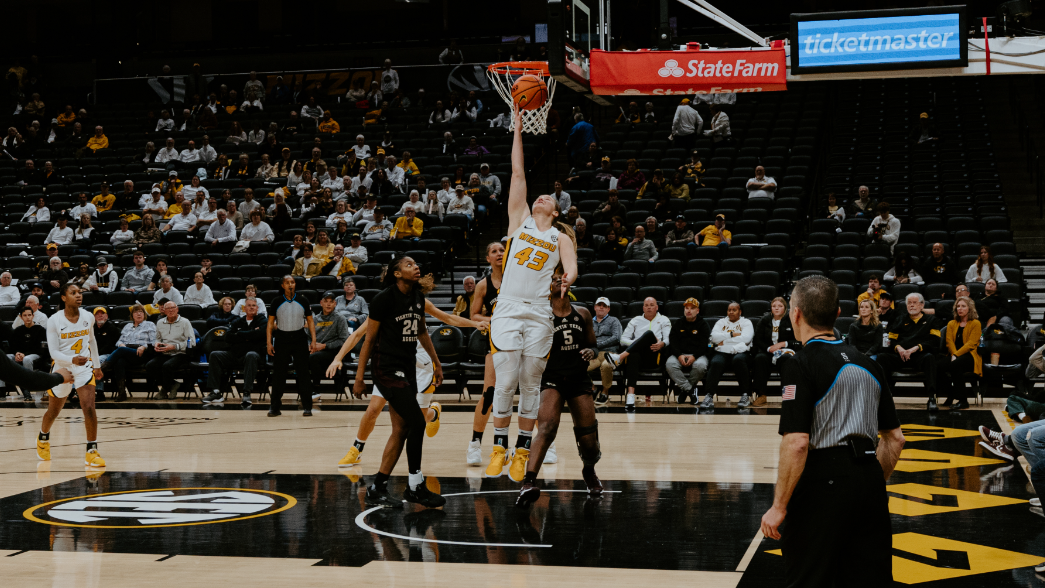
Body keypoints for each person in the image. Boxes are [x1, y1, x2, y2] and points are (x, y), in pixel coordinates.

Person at [760, 275, 904, 588]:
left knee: (811, 579)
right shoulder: (869, 364)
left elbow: (797, 443)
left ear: (795, 314)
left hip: (821, 484)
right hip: (870, 480)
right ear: (838, 314)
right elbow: (895, 440)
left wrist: (779, 505)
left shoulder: (798, 364)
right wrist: (866, 481)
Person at [486, 109, 578, 482]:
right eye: (538, 196)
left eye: (546, 198)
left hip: (540, 310)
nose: (539, 196)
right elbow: (519, 173)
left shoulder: (559, 237)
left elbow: (572, 266)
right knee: (505, 380)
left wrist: (567, 278)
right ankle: (497, 447)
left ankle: (522, 451)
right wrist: (518, 130)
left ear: (555, 211)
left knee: (530, 383)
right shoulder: (518, 220)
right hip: (508, 307)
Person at [329, 271, 484, 468]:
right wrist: (338, 358)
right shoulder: (384, 303)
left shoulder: (419, 300)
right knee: (373, 409)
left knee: (415, 418)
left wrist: (474, 323)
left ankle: (432, 414)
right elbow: (358, 334)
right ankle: (356, 449)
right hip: (392, 362)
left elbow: (448, 318)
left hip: (419, 361)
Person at [347, 257, 446, 508]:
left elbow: (421, 331)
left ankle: (377, 488)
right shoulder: (384, 299)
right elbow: (368, 340)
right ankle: (415, 486)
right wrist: (359, 378)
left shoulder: (417, 297)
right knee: (416, 422)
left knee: (401, 430)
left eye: (417, 263)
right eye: (410, 264)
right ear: (397, 273)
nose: (416, 267)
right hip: (387, 368)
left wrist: (436, 363)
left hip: (407, 368)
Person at [516, 269, 603, 506]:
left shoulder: (583, 313)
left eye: (561, 278)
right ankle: (529, 481)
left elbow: (593, 346)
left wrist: (590, 352)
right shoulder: (540, 315)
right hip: (551, 378)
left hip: (578, 379)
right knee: (547, 427)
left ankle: (588, 470)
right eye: (553, 279)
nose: (558, 280)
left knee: (588, 440)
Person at [37, 284, 106, 467]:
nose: (78, 296)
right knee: (53, 411)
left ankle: (92, 450)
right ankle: (43, 437)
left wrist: (97, 365)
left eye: (80, 293)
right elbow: (53, 353)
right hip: (62, 367)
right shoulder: (54, 320)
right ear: (63, 297)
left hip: (83, 366)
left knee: (89, 407)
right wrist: (71, 360)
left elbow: (92, 340)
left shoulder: (88, 316)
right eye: (73, 293)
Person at [463, 243, 506, 463]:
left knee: (530, 392)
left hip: (522, 340)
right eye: (495, 251)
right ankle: (475, 444)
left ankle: (545, 445)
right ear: (488, 258)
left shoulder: (517, 280)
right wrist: (495, 320)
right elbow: (474, 316)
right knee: (489, 393)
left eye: (502, 250)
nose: (499, 253)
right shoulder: (483, 285)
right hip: (497, 342)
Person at [875, 293, 942, 412]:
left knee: (930, 358)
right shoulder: (900, 319)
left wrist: (915, 348)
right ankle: (884, 397)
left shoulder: (932, 320)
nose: (911, 306)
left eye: (914, 303)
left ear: (922, 305)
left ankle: (931, 398)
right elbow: (891, 339)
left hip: (919, 355)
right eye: (909, 303)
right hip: (901, 355)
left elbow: (934, 341)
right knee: (882, 357)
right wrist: (899, 348)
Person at [266, 275, 318, 417]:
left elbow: (311, 321)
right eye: (287, 282)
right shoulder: (276, 301)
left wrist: (313, 340)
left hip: (299, 338)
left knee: (303, 374)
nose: (290, 284)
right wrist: (269, 343)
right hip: (282, 338)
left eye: (292, 282)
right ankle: (275, 407)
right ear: (282, 285)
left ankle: (307, 406)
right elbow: (270, 324)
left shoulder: (303, 300)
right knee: (278, 374)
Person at [202, 298, 267, 406]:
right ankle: (216, 391)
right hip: (235, 354)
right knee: (215, 355)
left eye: (253, 306)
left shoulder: (262, 320)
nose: (251, 307)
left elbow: (260, 335)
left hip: (254, 355)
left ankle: (246, 392)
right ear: (244, 308)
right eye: (249, 305)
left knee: (251, 355)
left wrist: (239, 333)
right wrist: (249, 334)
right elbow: (228, 337)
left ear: (257, 308)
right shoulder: (238, 321)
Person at [613, 297, 672, 411]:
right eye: (646, 305)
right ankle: (630, 396)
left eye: (651, 305)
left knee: (649, 334)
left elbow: (668, 339)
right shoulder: (635, 320)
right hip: (637, 355)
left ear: (656, 307)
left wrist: (662, 344)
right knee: (633, 355)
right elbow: (623, 340)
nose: (649, 307)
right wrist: (639, 343)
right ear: (643, 308)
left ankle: (620, 357)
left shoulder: (664, 320)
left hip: (654, 355)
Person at [699, 302, 754, 409]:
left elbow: (746, 339)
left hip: (740, 352)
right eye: (729, 310)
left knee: (739, 360)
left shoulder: (746, 322)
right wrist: (731, 334)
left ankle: (745, 395)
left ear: (740, 312)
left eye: (734, 310)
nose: (731, 312)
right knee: (715, 362)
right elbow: (713, 338)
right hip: (722, 352)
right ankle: (709, 396)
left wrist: (724, 341)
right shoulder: (721, 322)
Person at [750, 297, 799, 407]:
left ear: (785, 308)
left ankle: (788, 397)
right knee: (759, 359)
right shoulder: (764, 320)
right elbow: (757, 339)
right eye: (774, 306)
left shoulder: (791, 320)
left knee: (787, 360)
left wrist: (783, 344)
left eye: (780, 306)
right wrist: (769, 348)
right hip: (768, 350)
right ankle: (761, 395)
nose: (776, 308)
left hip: (785, 350)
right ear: (771, 308)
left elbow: (798, 339)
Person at [664, 298, 711, 405]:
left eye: (692, 308)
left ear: (697, 311)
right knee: (670, 364)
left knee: (700, 366)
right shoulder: (678, 323)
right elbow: (673, 341)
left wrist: (694, 356)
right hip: (679, 354)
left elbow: (705, 344)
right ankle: (690, 390)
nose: (688, 310)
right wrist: (679, 355)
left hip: (698, 355)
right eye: (686, 308)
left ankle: (684, 391)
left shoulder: (703, 324)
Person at [144, 301, 194, 399]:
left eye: (173, 308)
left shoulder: (185, 322)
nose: (171, 310)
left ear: (177, 309)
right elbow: (157, 338)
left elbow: (191, 342)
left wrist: (174, 346)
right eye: (168, 308)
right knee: (150, 366)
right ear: (164, 311)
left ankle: (164, 390)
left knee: (167, 366)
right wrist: (157, 344)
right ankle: (173, 384)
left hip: (181, 353)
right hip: (165, 353)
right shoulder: (160, 322)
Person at [941, 296, 982, 411]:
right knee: (937, 365)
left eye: (963, 306)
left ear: (970, 308)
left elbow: (971, 344)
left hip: (970, 356)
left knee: (955, 365)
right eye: (958, 306)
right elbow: (949, 342)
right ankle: (950, 393)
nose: (960, 309)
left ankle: (963, 401)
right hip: (954, 355)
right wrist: (954, 354)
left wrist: (956, 355)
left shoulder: (976, 323)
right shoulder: (951, 323)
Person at [5, 307, 48, 401]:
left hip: (35, 355)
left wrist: (24, 354)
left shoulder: (40, 330)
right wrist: (17, 353)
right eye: (25, 315)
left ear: (33, 316)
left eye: (29, 315)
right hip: (20, 354)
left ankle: (27, 389)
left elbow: (39, 349)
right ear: (21, 317)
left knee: (27, 359)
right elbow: (12, 346)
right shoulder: (18, 330)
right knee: (6, 357)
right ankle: (2, 388)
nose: (27, 317)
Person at [587, 296, 623, 405]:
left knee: (606, 365)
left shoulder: (614, 321)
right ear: (595, 307)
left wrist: (598, 344)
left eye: (605, 306)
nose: (601, 308)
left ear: (608, 309)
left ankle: (605, 391)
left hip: (610, 352)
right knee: (580, 365)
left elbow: (617, 337)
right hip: (594, 353)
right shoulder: (589, 322)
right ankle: (593, 388)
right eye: (599, 305)